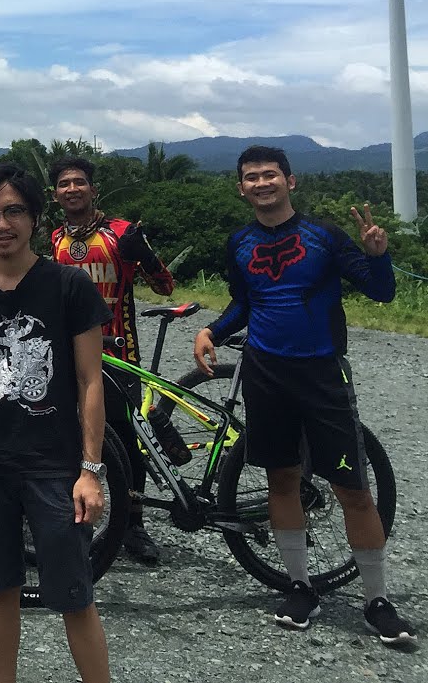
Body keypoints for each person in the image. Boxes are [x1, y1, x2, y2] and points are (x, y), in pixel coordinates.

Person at [192, 146, 415, 647]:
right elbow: (245, 302)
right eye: (252, 177)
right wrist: (211, 329)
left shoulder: (324, 235)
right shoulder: (239, 242)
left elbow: (381, 293)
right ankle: (299, 587)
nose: (261, 183)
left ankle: (377, 600)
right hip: (266, 372)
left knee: (352, 488)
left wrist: (379, 256)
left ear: (290, 181)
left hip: (322, 373)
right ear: (241, 188)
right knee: (282, 480)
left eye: (270, 174)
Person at [0, 163, 112, 683]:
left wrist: (90, 470)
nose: (1, 224)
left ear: (34, 218)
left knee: (74, 594)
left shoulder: (68, 286)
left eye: (14, 211)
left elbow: (90, 382)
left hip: (55, 467)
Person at [47, 155, 176, 565]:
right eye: (64, 184)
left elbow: (165, 286)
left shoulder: (121, 233)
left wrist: (147, 257)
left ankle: (133, 523)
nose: (72, 189)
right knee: (68, 434)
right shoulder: (55, 238)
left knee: (124, 438)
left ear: (93, 189)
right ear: (55, 194)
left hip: (118, 354)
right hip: (69, 353)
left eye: (79, 182)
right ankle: (72, 510)